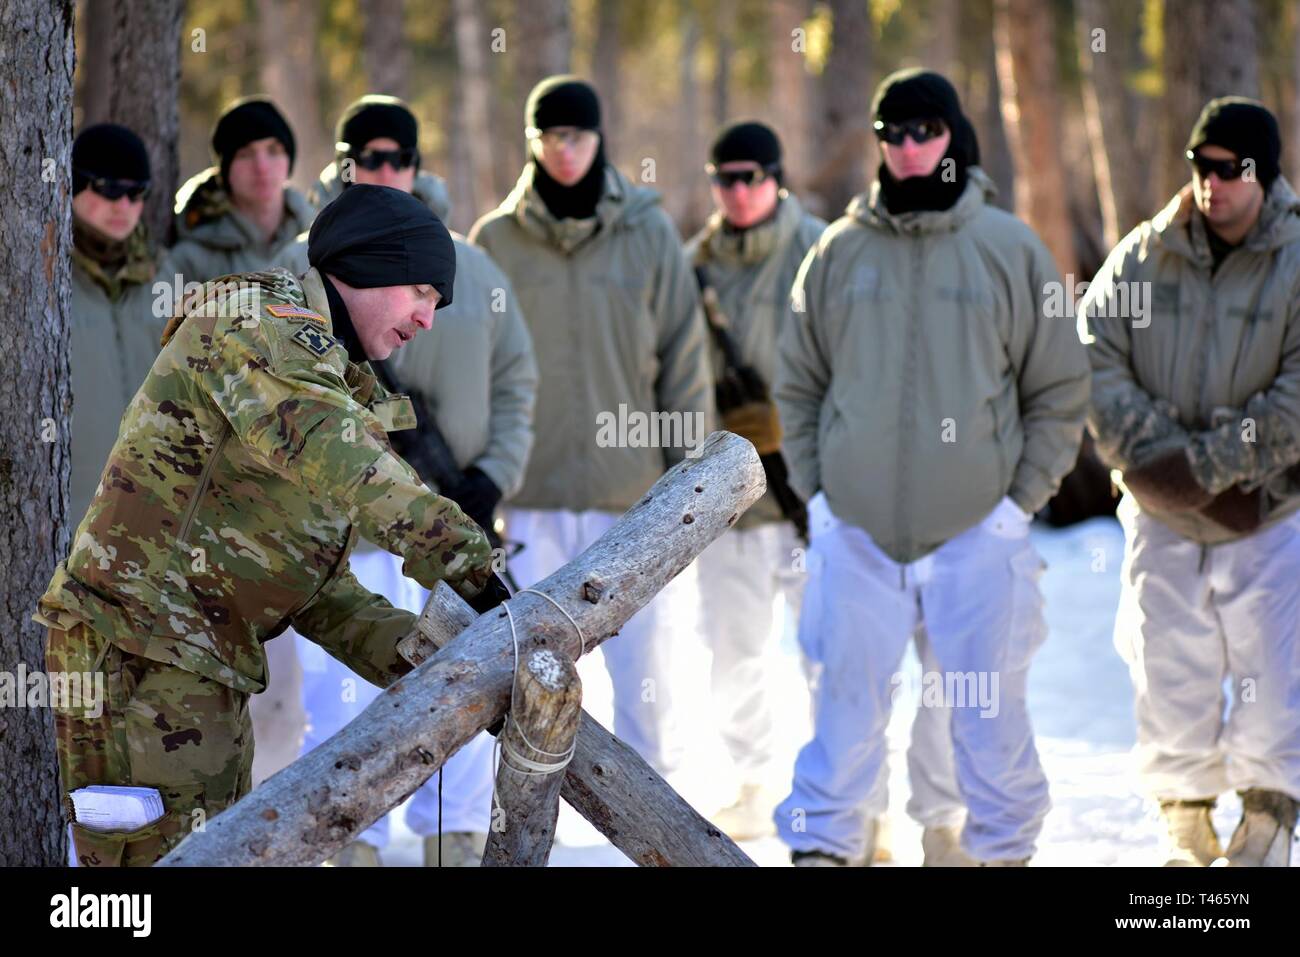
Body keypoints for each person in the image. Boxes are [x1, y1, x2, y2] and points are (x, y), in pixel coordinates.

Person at [37, 184, 506, 867]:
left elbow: (314, 587)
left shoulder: (321, 371)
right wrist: (469, 562)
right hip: (139, 651)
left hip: (191, 658)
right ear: (370, 265)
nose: (428, 319)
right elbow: (339, 451)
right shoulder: (258, 324)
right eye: (424, 293)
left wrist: (433, 653)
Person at [774, 68, 1089, 866]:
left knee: (983, 719)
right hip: (858, 536)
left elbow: (1059, 389)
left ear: (955, 136)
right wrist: (821, 499)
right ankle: (827, 846)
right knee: (843, 711)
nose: (909, 149)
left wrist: (1016, 507)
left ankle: (994, 849)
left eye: (926, 131)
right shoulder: (840, 252)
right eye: (893, 134)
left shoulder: (1008, 248)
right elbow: (799, 383)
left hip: (978, 536)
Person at [271, 95, 539, 867]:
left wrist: (492, 476)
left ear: (418, 167)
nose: (385, 171)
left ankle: (450, 841)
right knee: (342, 701)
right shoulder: (303, 266)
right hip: (340, 531)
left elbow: (518, 379)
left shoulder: (470, 265)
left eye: (398, 159)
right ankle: (351, 843)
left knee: (451, 682)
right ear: (344, 166)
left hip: (451, 515)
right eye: (369, 158)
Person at [469, 76, 714, 778]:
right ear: (532, 142)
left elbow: (683, 360)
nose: (563, 149)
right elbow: (481, 368)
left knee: (648, 683)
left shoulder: (647, 230)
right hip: (532, 500)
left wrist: (688, 487)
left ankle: (652, 834)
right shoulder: (496, 240)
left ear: (600, 138)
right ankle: (519, 830)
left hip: (630, 500)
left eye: (575, 135)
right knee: (529, 685)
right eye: (549, 136)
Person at [1081, 96, 1300, 867]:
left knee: (1274, 674)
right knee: (1166, 665)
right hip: (1160, 511)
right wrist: (1163, 460)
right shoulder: (1146, 253)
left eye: (1228, 169)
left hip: (1269, 513)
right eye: (1198, 168)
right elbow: (1094, 356)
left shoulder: (1296, 259)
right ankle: (1186, 816)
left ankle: (1270, 816)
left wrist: (1211, 466)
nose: (1210, 184)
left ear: (1264, 175)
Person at [68, 123, 170, 521]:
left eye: (135, 192)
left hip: (153, 526)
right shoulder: (37, 283)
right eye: (109, 188)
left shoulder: (166, 276)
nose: (122, 205)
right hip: (63, 523)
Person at [169, 96, 315, 284]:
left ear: (289, 160)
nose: (261, 167)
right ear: (225, 170)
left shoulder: (320, 240)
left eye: (273, 151)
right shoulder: (190, 261)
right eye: (245, 154)